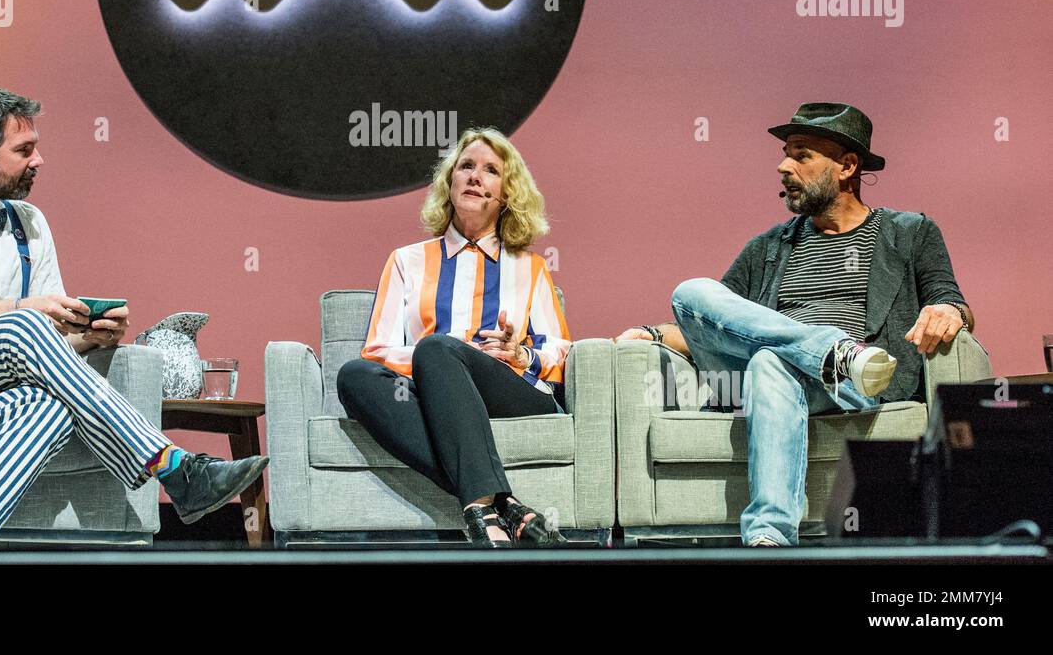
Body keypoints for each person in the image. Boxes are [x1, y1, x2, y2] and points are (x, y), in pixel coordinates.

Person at [0, 86, 267, 550]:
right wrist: (14, 312)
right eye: (24, 150)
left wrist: (90, 337)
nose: (39, 160)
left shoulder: (29, 223)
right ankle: (172, 467)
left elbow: (42, 339)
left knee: (48, 409)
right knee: (23, 325)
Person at [617, 102, 973, 547]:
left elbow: (950, 299)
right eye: (786, 153)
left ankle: (768, 536)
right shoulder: (769, 245)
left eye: (802, 155)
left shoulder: (910, 232)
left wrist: (950, 311)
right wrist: (650, 334)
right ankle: (832, 351)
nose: (784, 166)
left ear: (847, 166)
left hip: (860, 383)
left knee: (768, 359)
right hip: (791, 375)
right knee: (691, 292)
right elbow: (718, 321)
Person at [336, 128, 572, 547]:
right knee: (354, 376)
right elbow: (377, 351)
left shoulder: (529, 266)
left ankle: (487, 508)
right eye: (466, 166)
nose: (475, 176)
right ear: (449, 183)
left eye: (491, 170)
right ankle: (503, 508)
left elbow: (562, 352)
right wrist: (440, 364)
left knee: (439, 346)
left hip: (509, 390)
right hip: (430, 390)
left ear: (507, 194)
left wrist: (519, 354)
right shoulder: (407, 261)